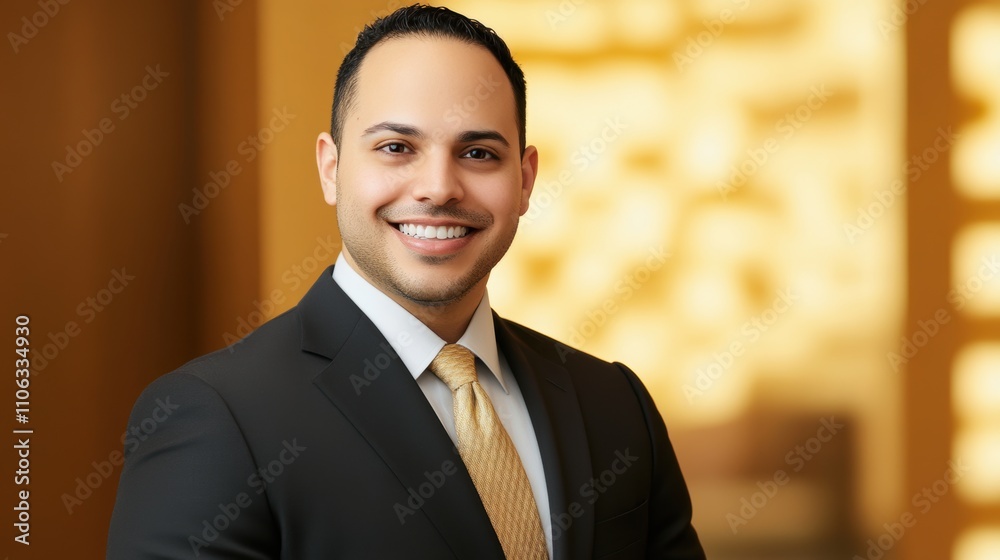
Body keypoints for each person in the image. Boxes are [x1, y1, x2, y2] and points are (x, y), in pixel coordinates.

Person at [106, 4, 705, 559]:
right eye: (396, 147)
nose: (439, 187)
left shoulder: (614, 404)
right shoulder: (215, 417)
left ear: (524, 180)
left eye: (478, 153)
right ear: (332, 168)